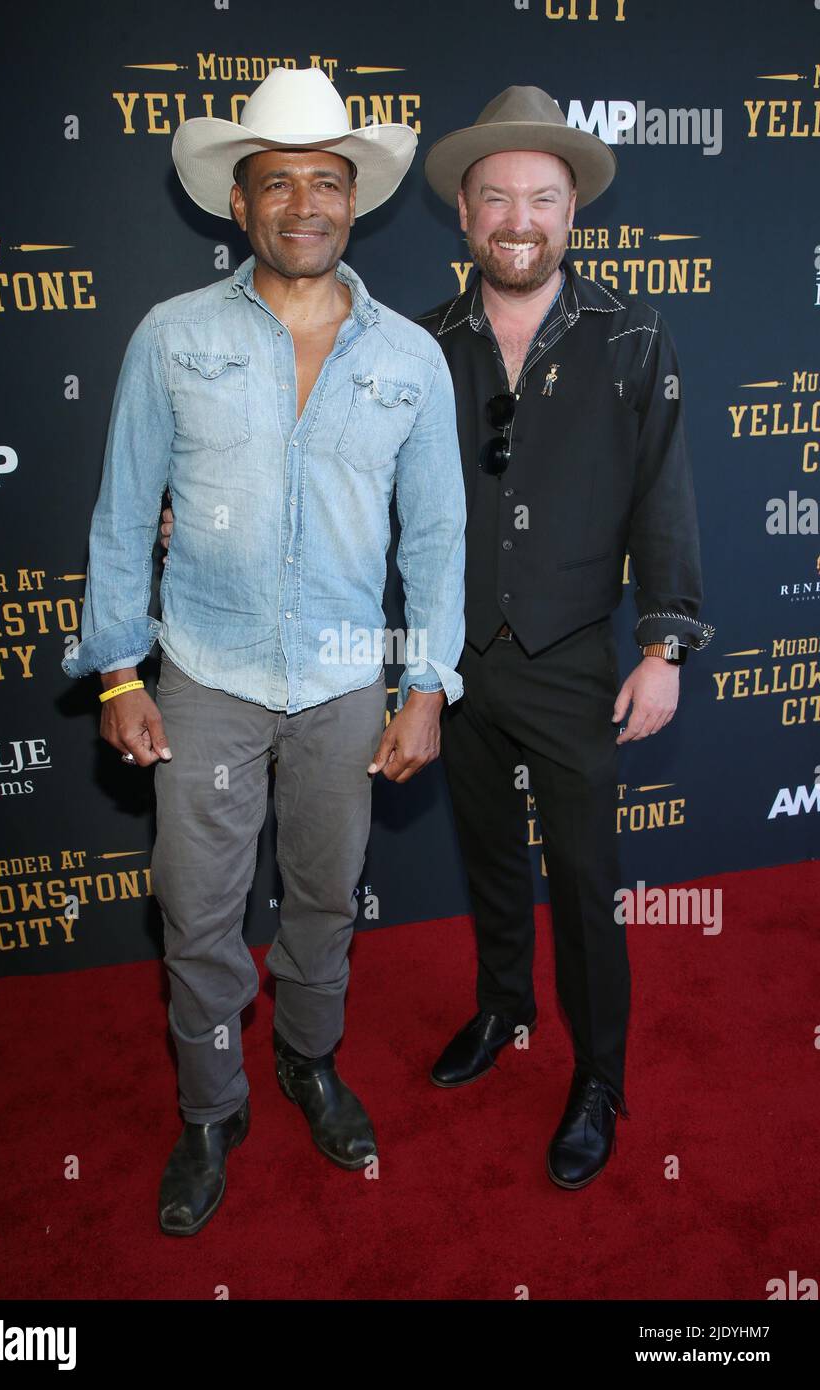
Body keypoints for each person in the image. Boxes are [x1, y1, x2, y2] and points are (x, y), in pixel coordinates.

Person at [61, 66, 466, 1235]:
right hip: (204, 678)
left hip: (348, 684)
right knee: (194, 916)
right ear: (237, 205)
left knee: (326, 902)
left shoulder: (409, 357)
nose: (303, 202)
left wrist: (426, 683)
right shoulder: (171, 336)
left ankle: (308, 1060)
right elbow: (123, 511)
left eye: (325, 181)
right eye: (276, 180)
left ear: (357, 201)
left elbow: (437, 533)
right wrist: (121, 669)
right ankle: (208, 1109)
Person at [417, 86, 714, 1188]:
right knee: (491, 857)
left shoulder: (634, 334)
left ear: (573, 214)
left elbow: (664, 497)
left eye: (541, 197)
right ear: (462, 211)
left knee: (584, 879)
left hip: (580, 659)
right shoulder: (422, 341)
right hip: (457, 663)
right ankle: (503, 1009)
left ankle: (598, 1075)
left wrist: (662, 645)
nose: (518, 218)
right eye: (496, 196)